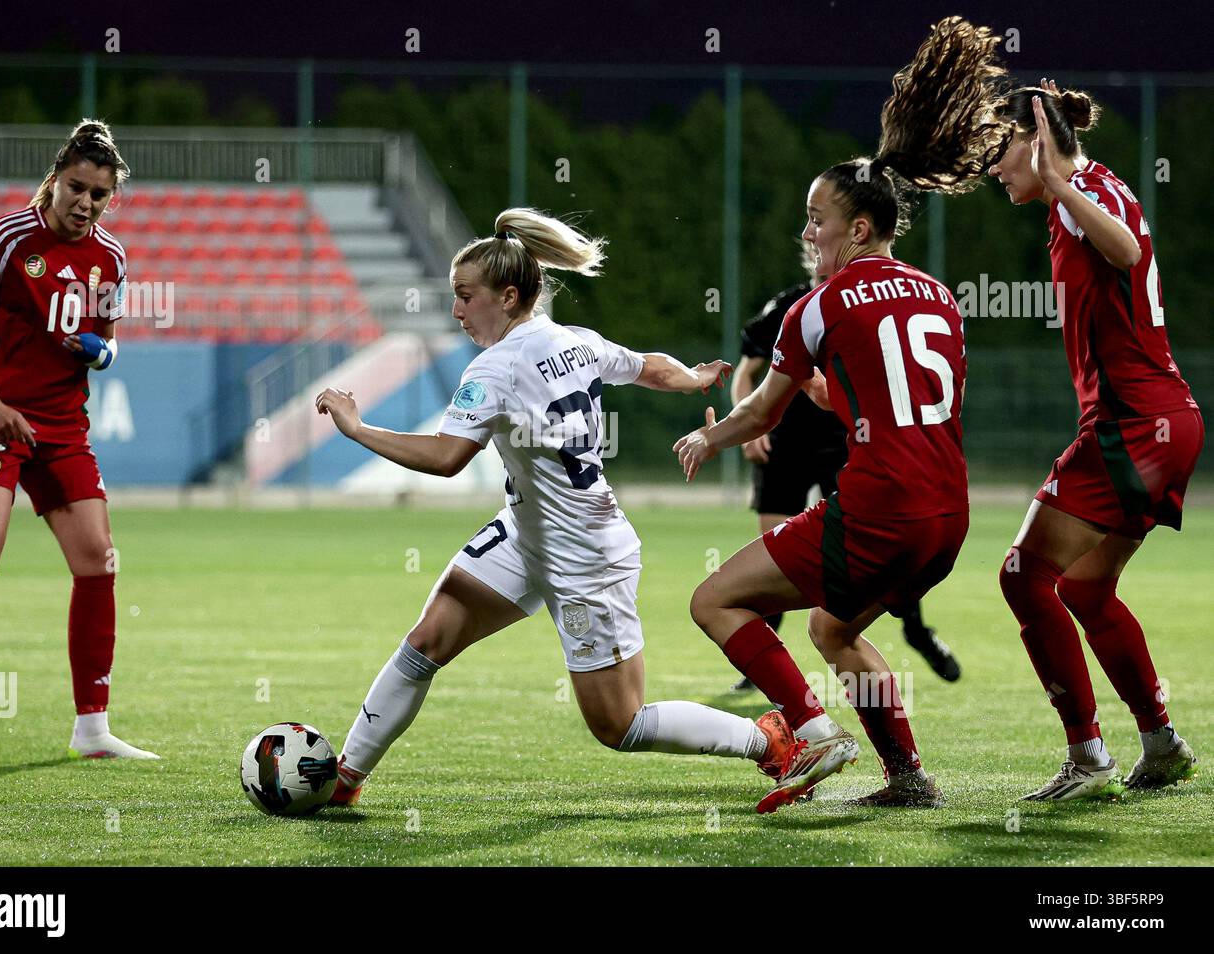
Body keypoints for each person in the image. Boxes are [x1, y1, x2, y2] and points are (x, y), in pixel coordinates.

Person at [314, 208, 800, 810]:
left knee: (619, 725)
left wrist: (358, 428)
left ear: (508, 295)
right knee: (426, 640)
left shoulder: (494, 367)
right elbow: (646, 365)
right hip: (526, 535)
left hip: (585, 554)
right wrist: (691, 380)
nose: (458, 311)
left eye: (466, 297)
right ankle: (347, 775)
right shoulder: (574, 341)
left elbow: (447, 458)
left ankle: (769, 739)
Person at [676, 16, 1010, 810]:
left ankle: (813, 731)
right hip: (948, 514)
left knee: (713, 600)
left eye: (817, 220)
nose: (808, 233)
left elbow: (762, 412)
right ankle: (908, 777)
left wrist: (708, 434)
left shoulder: (818, 306)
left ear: (858, 228)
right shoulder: (940, 296)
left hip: (880, 508)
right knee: (832, 629)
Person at [0, 120, 157, 762]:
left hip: (62, 426)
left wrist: (100, 352)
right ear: (54, 182)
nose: (85, 203)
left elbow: (105, 340)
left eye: (98, 195)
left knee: (98, 562)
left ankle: (92, 729)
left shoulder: (112, 257)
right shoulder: (6, 238)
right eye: (76, 187)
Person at [988, 80, 1202, 800]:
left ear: (1038, 137)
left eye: (1003, 146)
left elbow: (1124, 249)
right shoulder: (1091, 190)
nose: (995, 165)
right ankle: (1161, 743)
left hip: (1135, 426)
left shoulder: (1082, 195)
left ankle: (1087, 755)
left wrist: (1057, 182)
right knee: (1085, 585)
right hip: (1161, 421)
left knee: (1024, 576)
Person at [728, 247, 960, 694]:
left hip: (848, 440)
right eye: (811, 229)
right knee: (768, 551)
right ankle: (762, 661)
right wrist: (746, 424)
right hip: (786, 444)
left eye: (820, 224)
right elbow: (746, 373)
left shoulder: (866, 304)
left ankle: (916, 630)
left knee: (884, 551)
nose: (814, 240)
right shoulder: (790, 307)